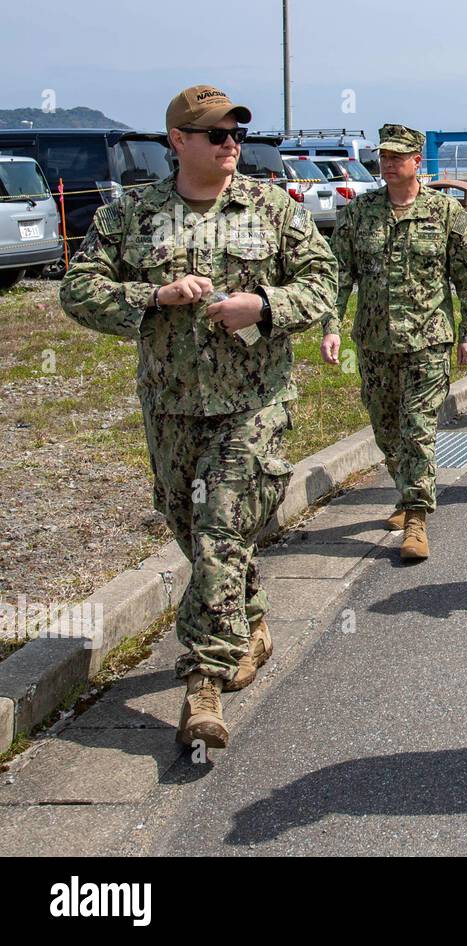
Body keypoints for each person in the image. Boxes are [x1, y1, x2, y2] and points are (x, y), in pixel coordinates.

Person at [60, 84, 338, 750]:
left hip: (254, 405)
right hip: (173, 410)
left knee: (219, 528)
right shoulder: (134, 215)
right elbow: (78, 289)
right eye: (215, 134)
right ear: (178, 142)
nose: (231, 143)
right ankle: (250, 620)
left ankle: (202, 686)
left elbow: (323, 281)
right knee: (195, 529)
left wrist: (264, 306)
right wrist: (153, 295)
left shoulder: (272, 207)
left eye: (236, 132)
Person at [321, 124, 467, 561]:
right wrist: (331, 326)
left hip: (428, 341)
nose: (389, 164)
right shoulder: (360, 213)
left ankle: (416, 518)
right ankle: (405, 489)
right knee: (387, 428)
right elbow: (339, 275)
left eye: (399, 157)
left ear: (418, 161)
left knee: (418, 429)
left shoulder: (445, 213)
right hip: (376, 344)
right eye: (384, 157)